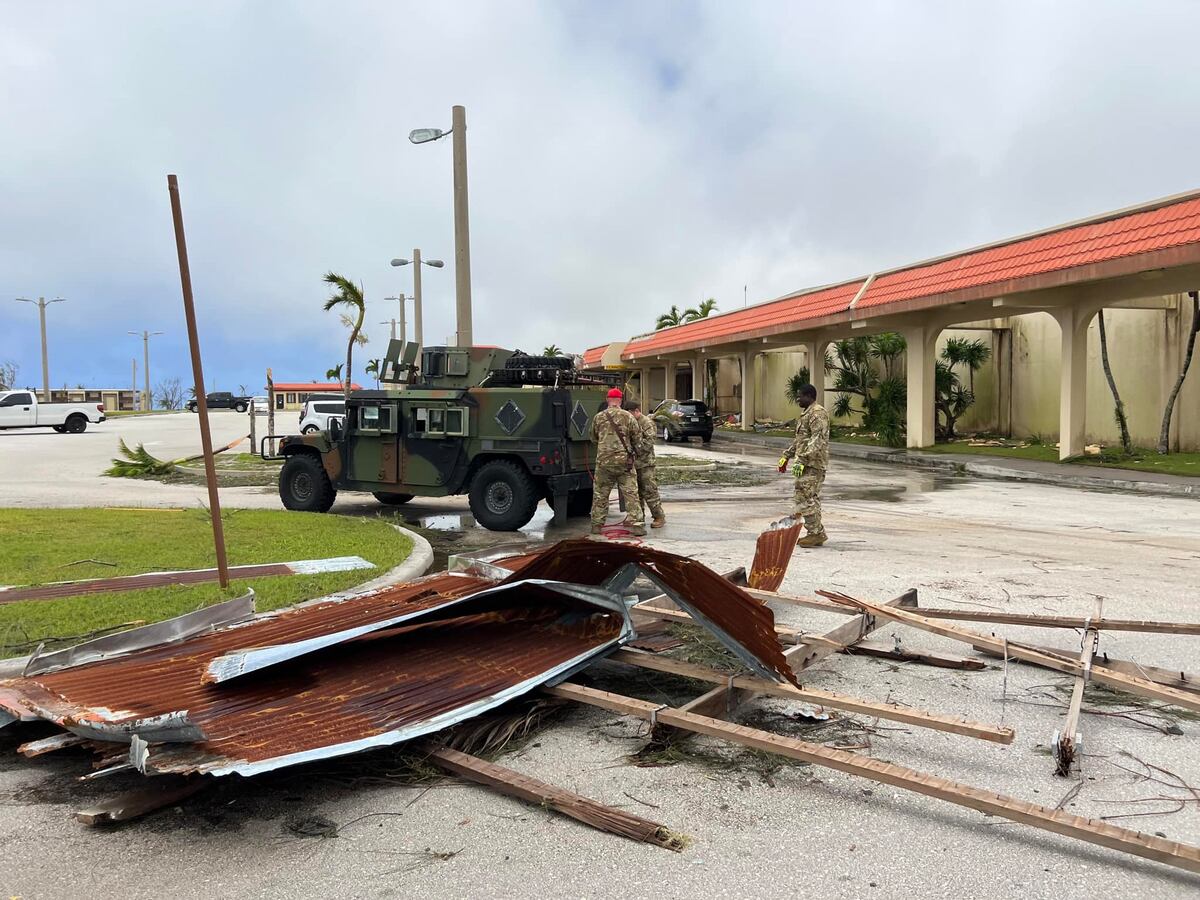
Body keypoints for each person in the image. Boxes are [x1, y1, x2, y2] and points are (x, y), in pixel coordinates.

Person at [589, 387, 645, 536]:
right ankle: (638, 526)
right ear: (620, 400)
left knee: (600, 494)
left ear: (607, 400)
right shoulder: (628, 416)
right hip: (624, 464)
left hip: (604, 463)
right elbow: (637, 438)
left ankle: (596, 525)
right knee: (631, 494)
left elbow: (593, 438)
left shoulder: (598, 417)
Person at [778, 383, 830, 547]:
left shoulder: (817, 414)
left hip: (813, 464)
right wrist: (787, 455)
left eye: (800, 396)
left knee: (806, 498)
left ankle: (816, 533)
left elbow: (817, 441)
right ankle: (816, 532)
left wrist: (802, 460)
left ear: (809, 396)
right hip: (806, 463)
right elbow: (802, 440)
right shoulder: (806, 414)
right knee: (806, 497)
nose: (798, 399)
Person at [624, 400, 666, 528]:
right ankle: (638, 516)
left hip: (645, 463)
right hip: (633, 463)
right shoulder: (629, 423)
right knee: (635, 492)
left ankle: (659, 516)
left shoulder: (647, 423)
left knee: (649, 490)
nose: (628, 417)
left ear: (636, 411)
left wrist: (635, 450)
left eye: (630, 414)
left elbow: (649, 442)